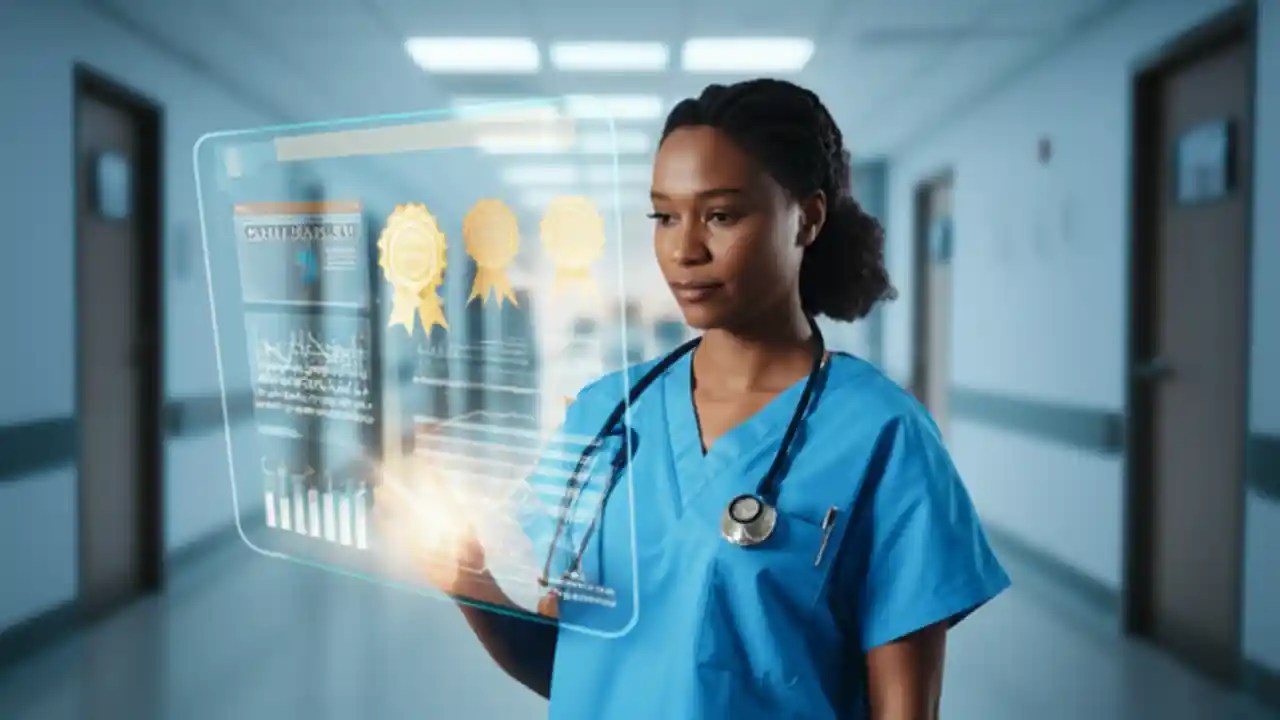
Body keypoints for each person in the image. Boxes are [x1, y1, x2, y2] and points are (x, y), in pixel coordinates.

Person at [384, 78, 1011, 719]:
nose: (684, 249)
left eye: (721, 215)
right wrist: (466, 577)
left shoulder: (882, 434)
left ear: (809, 217)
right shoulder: (606, 411)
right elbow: (572, 669)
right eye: (664, 216)